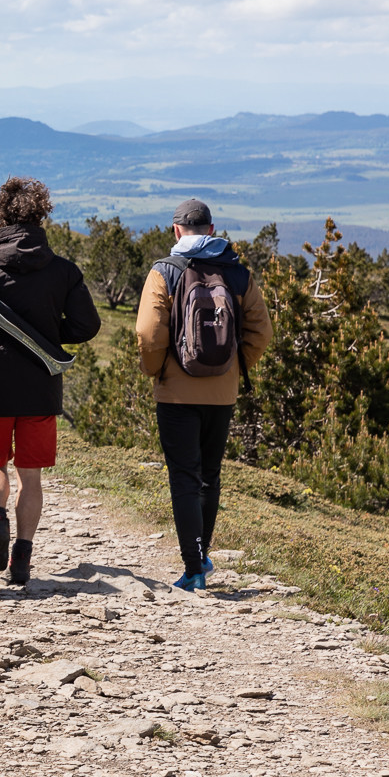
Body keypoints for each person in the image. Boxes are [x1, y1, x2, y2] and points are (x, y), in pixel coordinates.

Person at [0, 178, 100, 584]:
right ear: (42, 214)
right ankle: (22, 556)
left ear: (0, 214)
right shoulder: (63, 271)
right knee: (30, 475)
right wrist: (50, 333)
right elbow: (88, 325)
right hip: (40, 389)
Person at [135, 198, 273, 591]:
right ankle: (201, 556)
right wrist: (232, 366)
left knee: (183, 477)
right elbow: (261, 333)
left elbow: (148, 333)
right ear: (212, 230)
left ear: (176, 230)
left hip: (175, 394)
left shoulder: (164, 272)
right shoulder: (238, 273)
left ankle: (194, 568)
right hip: (222, 393)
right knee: (210, 476)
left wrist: (158, 369)